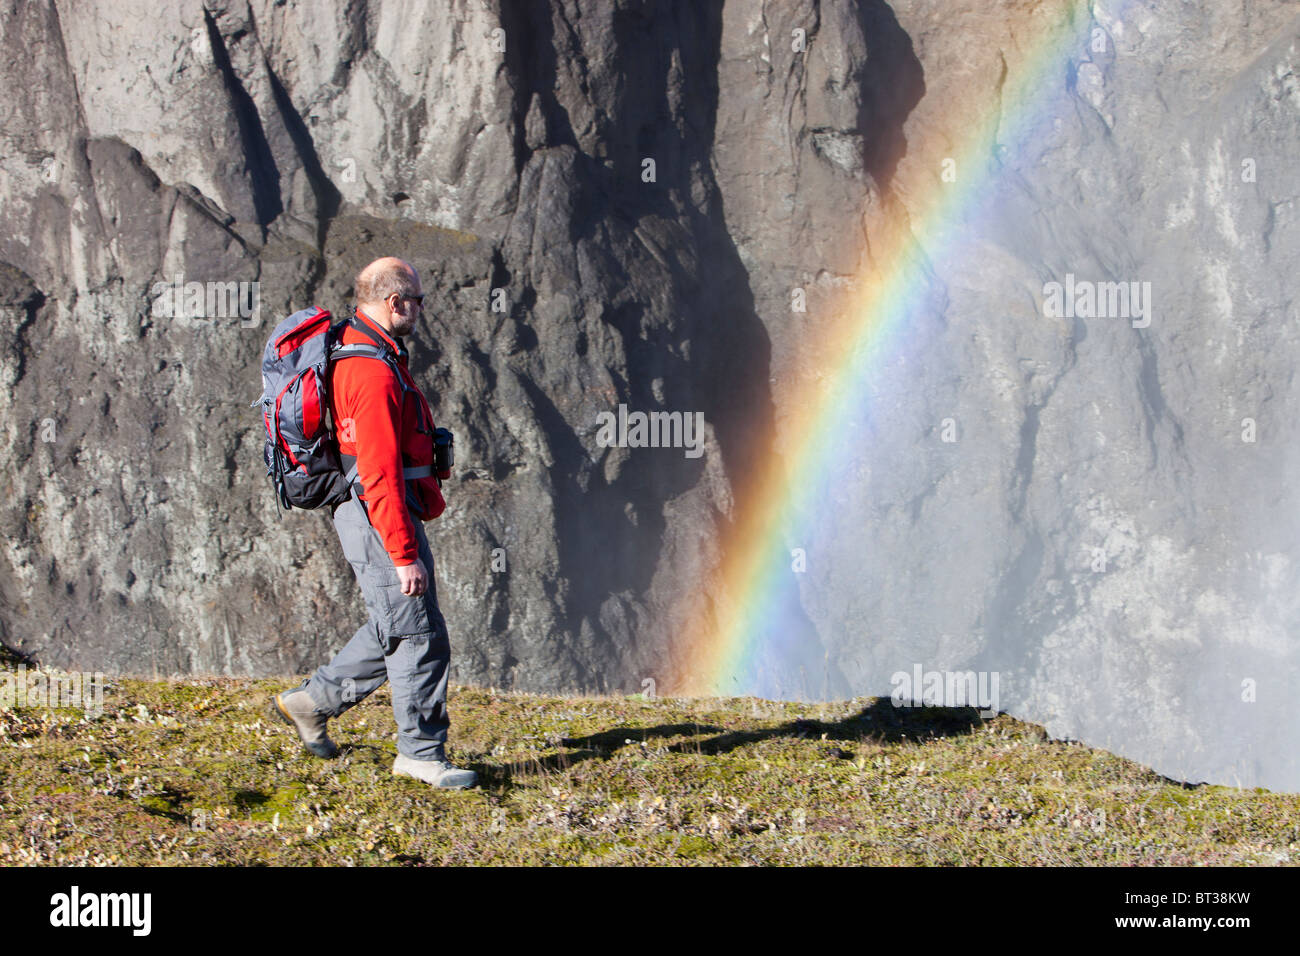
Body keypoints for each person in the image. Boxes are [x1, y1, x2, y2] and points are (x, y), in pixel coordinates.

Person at [269, 256, 476, 789]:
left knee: (405, 621)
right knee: (417, 633)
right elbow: (379, 470)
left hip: (377, 510)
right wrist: (404, 553)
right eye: (418, 300)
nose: (422, 309)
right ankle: (420, 753)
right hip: (377, 511)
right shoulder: (371, 371)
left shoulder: (361, 350)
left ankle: (313, 702)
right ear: (394, 302)